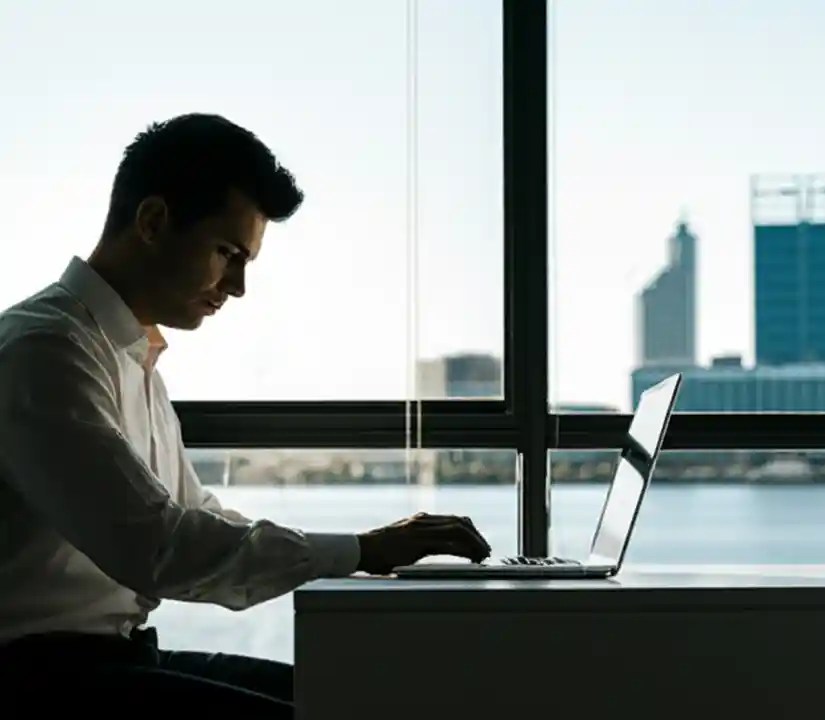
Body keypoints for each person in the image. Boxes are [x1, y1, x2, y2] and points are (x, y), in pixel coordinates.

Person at [0, 113, 492, 716]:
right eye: (227, 253)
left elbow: (192, 517)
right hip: (37, 679)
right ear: (153, 221)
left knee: (357, 697)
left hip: (110, 660)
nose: (236, 287)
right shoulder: (43, 351)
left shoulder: (130, 355)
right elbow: (160, 548)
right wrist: (361, 550)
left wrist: (363, 550)